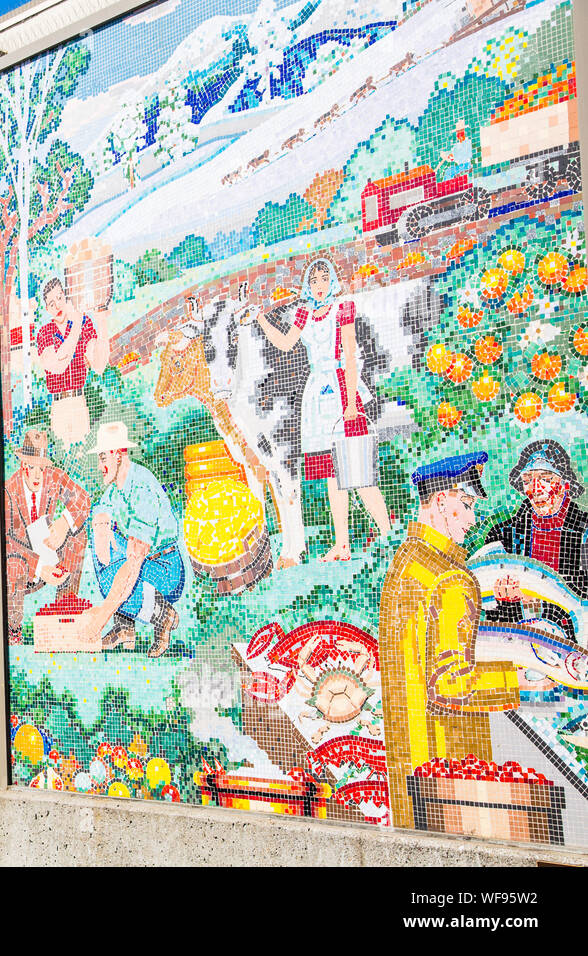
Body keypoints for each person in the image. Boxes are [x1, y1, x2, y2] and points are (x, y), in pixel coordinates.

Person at [379, 452, 521, 828]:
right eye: (468, 503)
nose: (473, 519)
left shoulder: (405, 563)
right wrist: (520, 678)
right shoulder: (451, 578)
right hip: (452, 773)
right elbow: (449, 684)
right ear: (442, 501)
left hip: (411, 765)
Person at [250, 257, 391, 561]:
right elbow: (287, 343)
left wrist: (352, 401)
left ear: (333, 281)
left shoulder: (343, 308)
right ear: (307, 284)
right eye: (313, 281)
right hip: (317, 395)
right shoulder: (304, 312)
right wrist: (261, 320)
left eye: (324, 279)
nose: (319, 286)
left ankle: (387, 535)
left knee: (359, 471)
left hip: (341, 387)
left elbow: (350, 354)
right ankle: (342, 544)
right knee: (331, 475)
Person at [76, 421, 185, 656]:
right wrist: (102, 526)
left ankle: (162, 615)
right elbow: (101, 512)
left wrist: (100, 618)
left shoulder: (142, 488)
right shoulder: (116, 489)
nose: (99, 466)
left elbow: (134, 562)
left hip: (166, 570)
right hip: (148, 564)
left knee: (123, 573)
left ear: (118, 455)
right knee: (100, 537)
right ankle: (124, 627)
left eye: (103, 458)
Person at [485, 439, 588, 642]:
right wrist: (506, 600)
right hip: (521, 647)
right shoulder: (503, 535)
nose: (536, 488)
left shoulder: (585, 531)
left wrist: (539, 601)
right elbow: (491, 617)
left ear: (566, 483)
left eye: (546, 478)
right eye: (527, 480)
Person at [3, 430, 91, 643]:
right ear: (22, 464)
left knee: (78, 533)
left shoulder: (54, 477)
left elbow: (83, 500)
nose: (36, 475)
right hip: (24, 564)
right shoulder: (9, 490)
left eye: (41, 468)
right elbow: (6, 543)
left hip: (49, 551)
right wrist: (39, 567)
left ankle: (65, 608)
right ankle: (13, 630)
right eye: (31, 467)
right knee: (12, 564)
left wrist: (63, 523)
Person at [36, 277, 108, 446]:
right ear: (47, 309)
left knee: (82, 454)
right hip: (58, 406)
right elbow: (58, 365)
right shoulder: (44, 333)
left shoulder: (84, 324)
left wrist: (102, 322)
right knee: (62, 457)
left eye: (60, 298)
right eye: (52, 303)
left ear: (67, 298)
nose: (58, 306)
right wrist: (76, 324)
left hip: (79, 401)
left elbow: (98, 365)